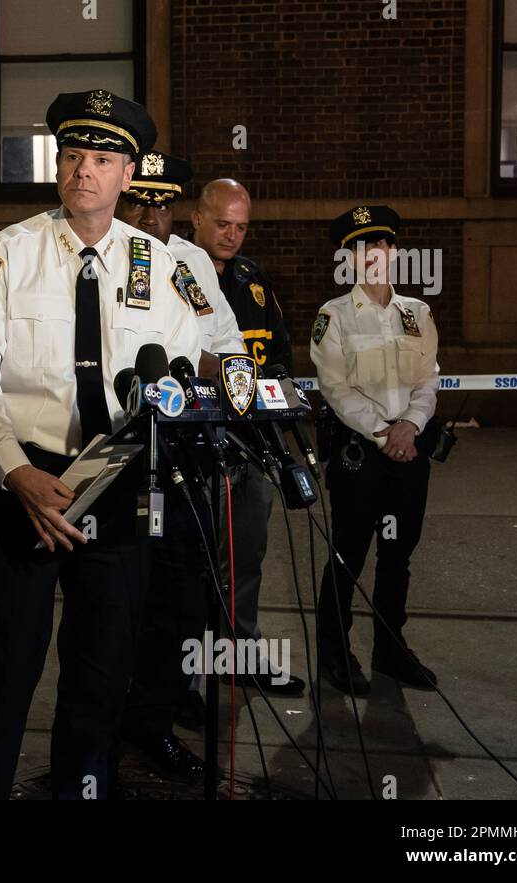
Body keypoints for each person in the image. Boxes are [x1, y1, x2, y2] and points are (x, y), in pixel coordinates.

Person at [0, 90, 200, 799]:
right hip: (17, 485)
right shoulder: (7, 254)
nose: (84, 169)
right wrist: (16, 471)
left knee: (100, 673)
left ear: (129, 175)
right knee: (5, 673)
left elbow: (178, 373)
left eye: (103, 158)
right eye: (72, 154)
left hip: (116, 486)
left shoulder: (159, 266)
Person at [113, 150, 244, 768]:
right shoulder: (97, 253)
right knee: (114, 594)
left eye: (163, 203)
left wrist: (226, 382)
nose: (151, 214)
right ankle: (100, 723)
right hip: (113, 451)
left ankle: (155, 719)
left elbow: (228, 346)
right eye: (140, 200)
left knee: (180, 592)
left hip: (184, 451)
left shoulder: (193, 265)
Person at [311, 205, 439, 696]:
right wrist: (388, 434)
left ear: (394, 251)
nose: (373, 255)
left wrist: (411, 426)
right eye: (361, 248)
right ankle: (334, 653)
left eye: (381, 245)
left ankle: (390, 649)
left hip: (409, 454)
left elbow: (429, 379)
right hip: (360, 457)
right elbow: (336, 390)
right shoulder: (334, 317)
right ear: (348, 257)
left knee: (397, 556)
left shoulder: (417, 313)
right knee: (348, 555)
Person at [191, 178, 304, 696]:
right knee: (191, 562)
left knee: (245, 556)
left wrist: (277, 400)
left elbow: (278, 353)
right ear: (197, 218)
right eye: (222, 224)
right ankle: (185, 676)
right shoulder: (174, 272)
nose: (232, 236)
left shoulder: (254, 280)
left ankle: (240, 653)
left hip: (251, 442)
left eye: (241, 227)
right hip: (192, 443)